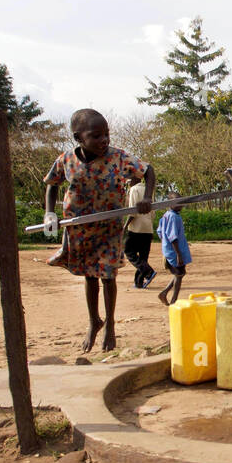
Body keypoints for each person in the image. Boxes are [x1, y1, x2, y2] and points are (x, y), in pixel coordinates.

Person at [44, 108, 154, 352]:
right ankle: (94, 321)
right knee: (89, 275)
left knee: (108, 275)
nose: (104, 140)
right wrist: (49, 212)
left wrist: (147, 197)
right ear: (79, 138)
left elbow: (148, 171)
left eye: (107, 134)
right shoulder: (66, 160)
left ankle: (111, 324)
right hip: (80, 228)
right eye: (96, 136)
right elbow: (52, 184)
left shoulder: (118, 158)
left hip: (108, 228)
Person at [123, 178, 156, 289]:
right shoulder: (148, 190)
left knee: (128, 251)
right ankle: (139, 282)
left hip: (136, 228)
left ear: (133, 179)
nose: (128, 185)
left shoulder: (134, 189)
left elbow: (132, 212)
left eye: (128, 182)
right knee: (143, 256)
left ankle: (148, 272)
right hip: (148, 228)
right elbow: (153, 212)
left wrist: (124, 227)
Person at [157, 203, 191, 306]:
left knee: (180, 273)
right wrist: (178, 254)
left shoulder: (166, 215)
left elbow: (159, 231)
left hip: (170, 249)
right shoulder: (173, 217)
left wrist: (165, 244)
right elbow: (173, 237)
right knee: (179, 274)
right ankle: (173, 301)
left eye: (182, 203)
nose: (181, 205)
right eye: (178, 203)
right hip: (175, 251)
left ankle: (165, 293)